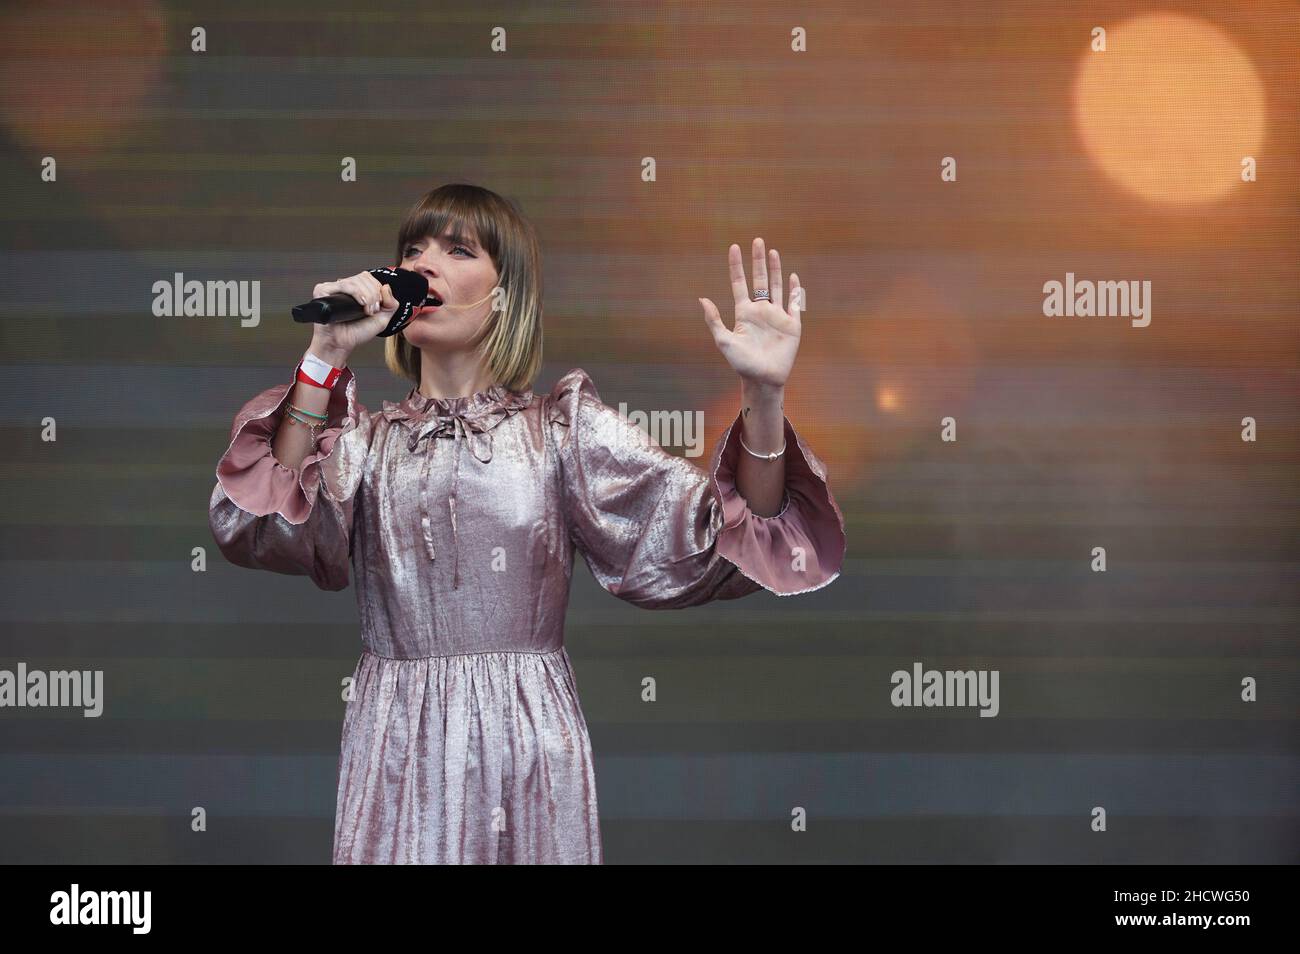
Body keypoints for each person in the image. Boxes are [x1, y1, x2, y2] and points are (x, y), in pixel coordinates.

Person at [207, 182, 846, 863]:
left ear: (505, 293)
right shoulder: (362, 448)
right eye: (413, 249)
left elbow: (720, 537)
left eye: (458, 250)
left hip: (526, 748)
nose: (424, 265)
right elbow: (257, 525)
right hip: (396, 747)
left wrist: (763, 395)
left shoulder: (561, 432)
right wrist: (325, 356)